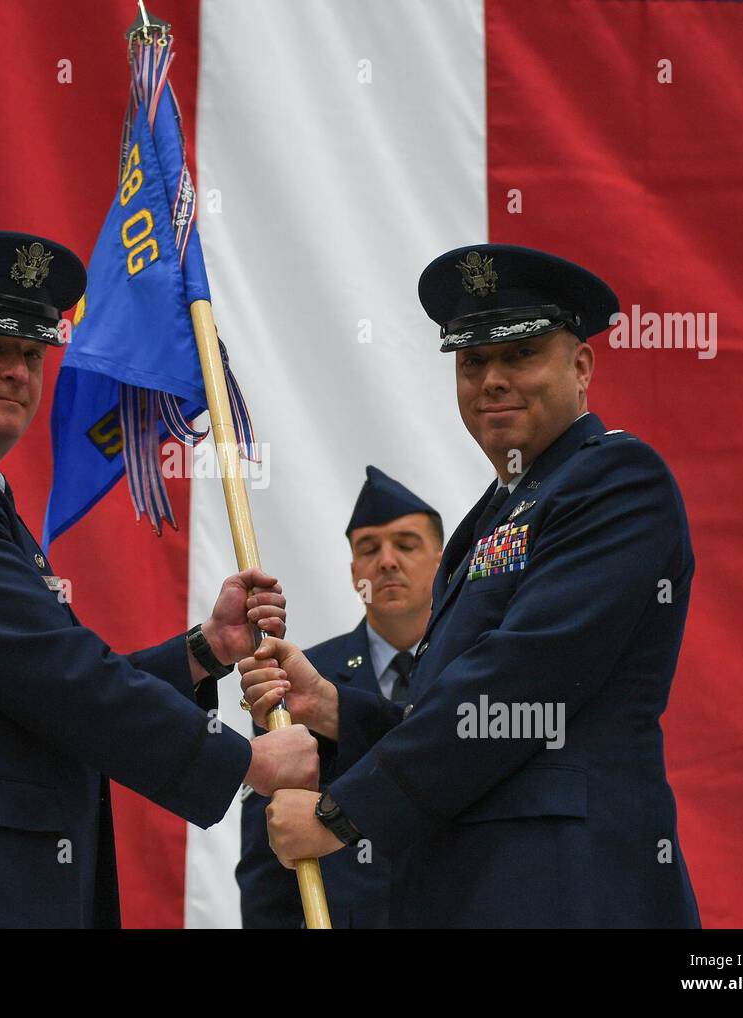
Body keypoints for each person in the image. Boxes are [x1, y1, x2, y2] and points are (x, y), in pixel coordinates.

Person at [0, 231, 318, 928]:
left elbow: (29, 693)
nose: (17, 370)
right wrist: (244, 760)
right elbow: (55, 674)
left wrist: (204, 649)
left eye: (32, 353)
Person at [240, 244, 700, 928]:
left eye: (519, 356)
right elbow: (450, 703)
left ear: (581, 367)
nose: (491, 380)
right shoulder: (491, 517)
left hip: (570, 891)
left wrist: (343, 813)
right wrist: (338, 709)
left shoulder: (617, 480)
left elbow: (517, 683)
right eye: (472, 361)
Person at [237, 466, 442, 928]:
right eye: (369, 548)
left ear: (442, 561)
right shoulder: (296, 680)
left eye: (406, 545)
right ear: (354, 572)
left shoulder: (473, 669)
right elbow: (267, 855)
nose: (387, 561)